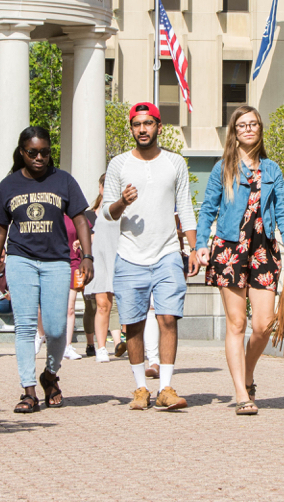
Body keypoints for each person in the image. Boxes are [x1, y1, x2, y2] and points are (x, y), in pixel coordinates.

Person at [0, 126, 93, 414]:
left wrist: (87, 256)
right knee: (25, 326)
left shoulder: (64, 181)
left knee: (57, 328)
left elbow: (81, 219)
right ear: (22, 152)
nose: (40, 157)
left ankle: (50, 374)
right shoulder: (9, 185)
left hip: (57, 261)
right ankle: (29, 391)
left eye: (45, 152)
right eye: (33, 152)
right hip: (21, 260)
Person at [195, 105, 284, 415]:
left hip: (263, 249)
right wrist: (201, 244)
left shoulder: (272, 169)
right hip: (229, 249)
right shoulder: (223, 168)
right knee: (236, 323)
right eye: (242, 125)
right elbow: (207, 208)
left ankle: (247, 373)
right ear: (234, 132)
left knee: (264, 324)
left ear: (260, 129)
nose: (248, 129)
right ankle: (241, 392)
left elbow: (282, 212)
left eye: (253, 124)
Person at [103, 102, 197, 411]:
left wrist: (192, 249)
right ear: (131, 128)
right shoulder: (118, 164)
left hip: (168, 252)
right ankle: (141, 389)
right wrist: (122, 202)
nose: (142, 129)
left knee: (168, 317)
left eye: (148, 123)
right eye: (136, 124)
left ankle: (166, 387)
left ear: (158, 126)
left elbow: (185, 207)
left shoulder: (175, 163)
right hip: (130, 255)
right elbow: (107, 212)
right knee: (133, 324)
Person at [84, 174, 125, 362]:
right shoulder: (92, 212)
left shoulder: (123, 207)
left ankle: (128, 341)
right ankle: (101, 347)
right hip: (100, 257)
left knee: (124, 305)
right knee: (102, 304)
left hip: (120, 256)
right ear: (101, 188)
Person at [62, 214, 84, 360]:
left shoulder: (75, 215)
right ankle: (42, 333)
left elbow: (89, 233)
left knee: (70, 308)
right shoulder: (52, 212)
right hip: (53, 262)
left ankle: (67, 346)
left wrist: (80, 241)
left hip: (73, 263)